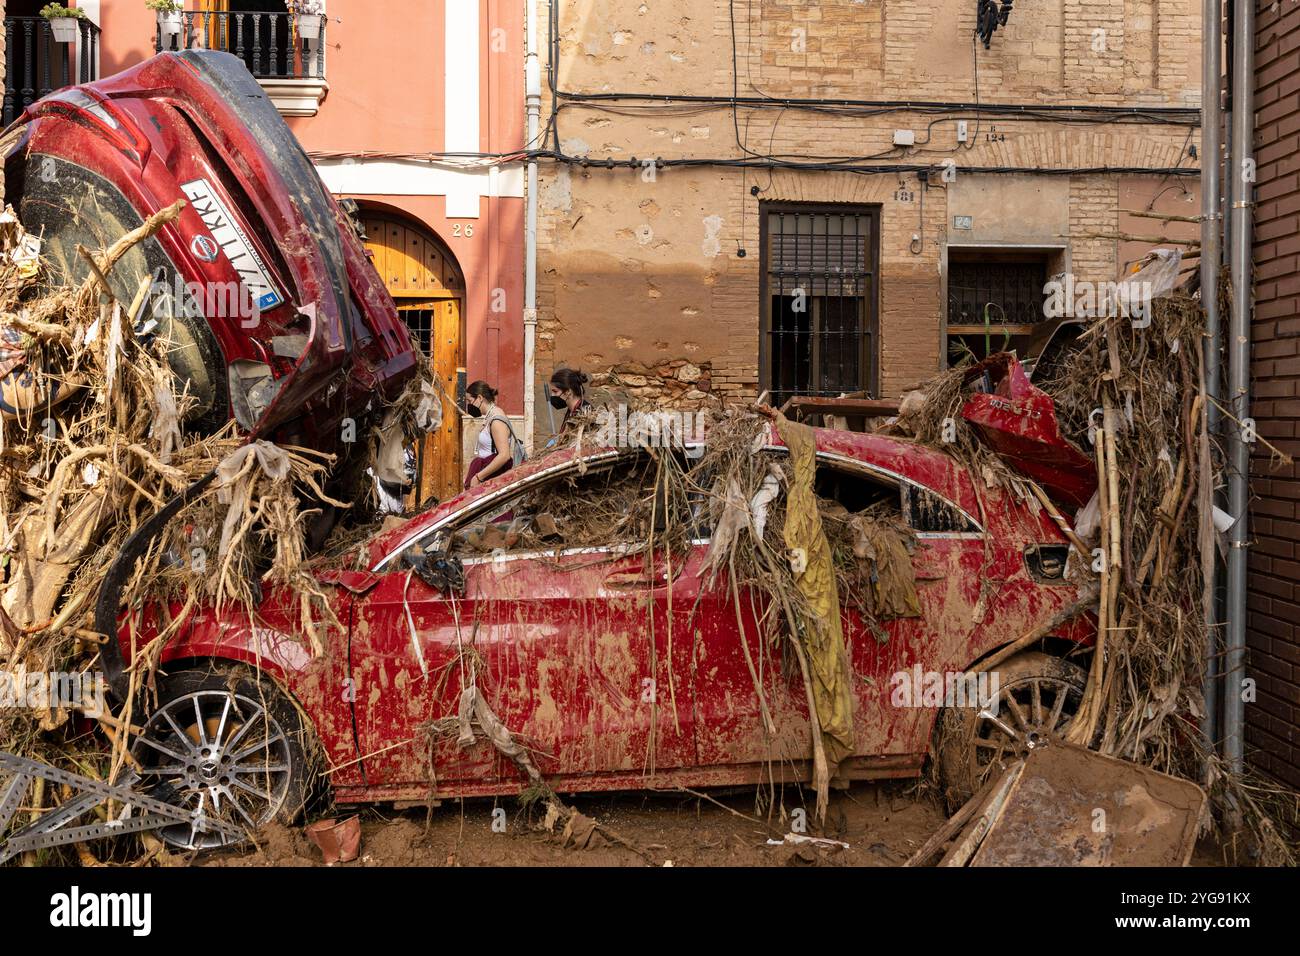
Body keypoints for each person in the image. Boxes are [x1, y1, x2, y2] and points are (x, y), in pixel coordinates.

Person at [463, 381, 521, 490]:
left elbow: (504, 455)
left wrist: (478, 477)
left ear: (480, 398)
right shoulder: (490, 416)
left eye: (470, 401)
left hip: (491, 478)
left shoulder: (497, 420)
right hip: (486, 475)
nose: (469, 405)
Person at [548, 367, 592, 436]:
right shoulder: (571, 411)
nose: (552, 395)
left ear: (568, 391)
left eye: (555, 391)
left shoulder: (585, 413)